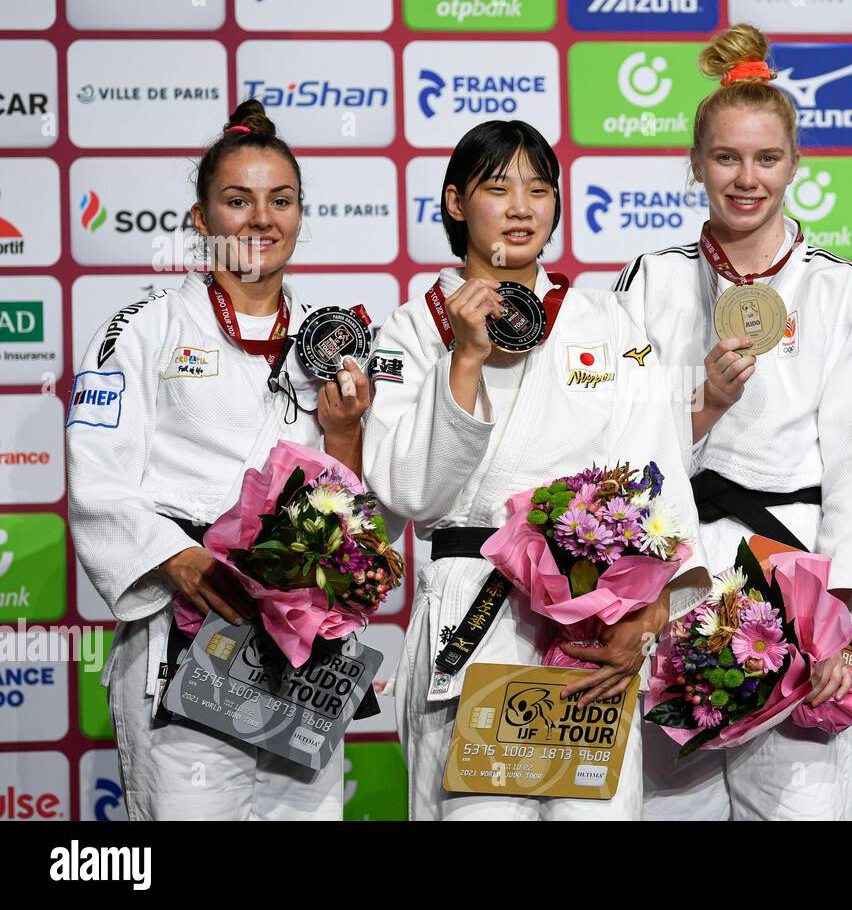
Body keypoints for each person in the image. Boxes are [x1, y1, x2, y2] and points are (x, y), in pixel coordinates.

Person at [362, 119, 709, 820]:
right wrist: (463, 358)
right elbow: (408, 493)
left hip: (593, 621)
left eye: (540, 188)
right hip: (472, 613)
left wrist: (646, 613)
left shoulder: (610, 323)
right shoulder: (409, 329)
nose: (522, 207)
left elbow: (658, 471)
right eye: (498, 188)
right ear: (457, 203)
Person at [614, 23, 852, 821]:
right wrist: (698, 407)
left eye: (767, 159)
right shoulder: (649, 282)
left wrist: (843, 634)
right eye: (726, 158)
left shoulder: (846, 291)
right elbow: (615, 449)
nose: (747, 179)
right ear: (695, 164)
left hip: (797, 587)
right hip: (676, 582)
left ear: (795, 164)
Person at [66, 99, 371, 820]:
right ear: (201, 221)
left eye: (281, 201)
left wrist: (347, 434)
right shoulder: (142, 327)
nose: (261, 220)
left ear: (300, 215)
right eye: (238, 201)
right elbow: (97, 479)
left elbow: (358, 511)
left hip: (302, 650)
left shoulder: (333, 344)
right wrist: (180, 562)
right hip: (188, 627)